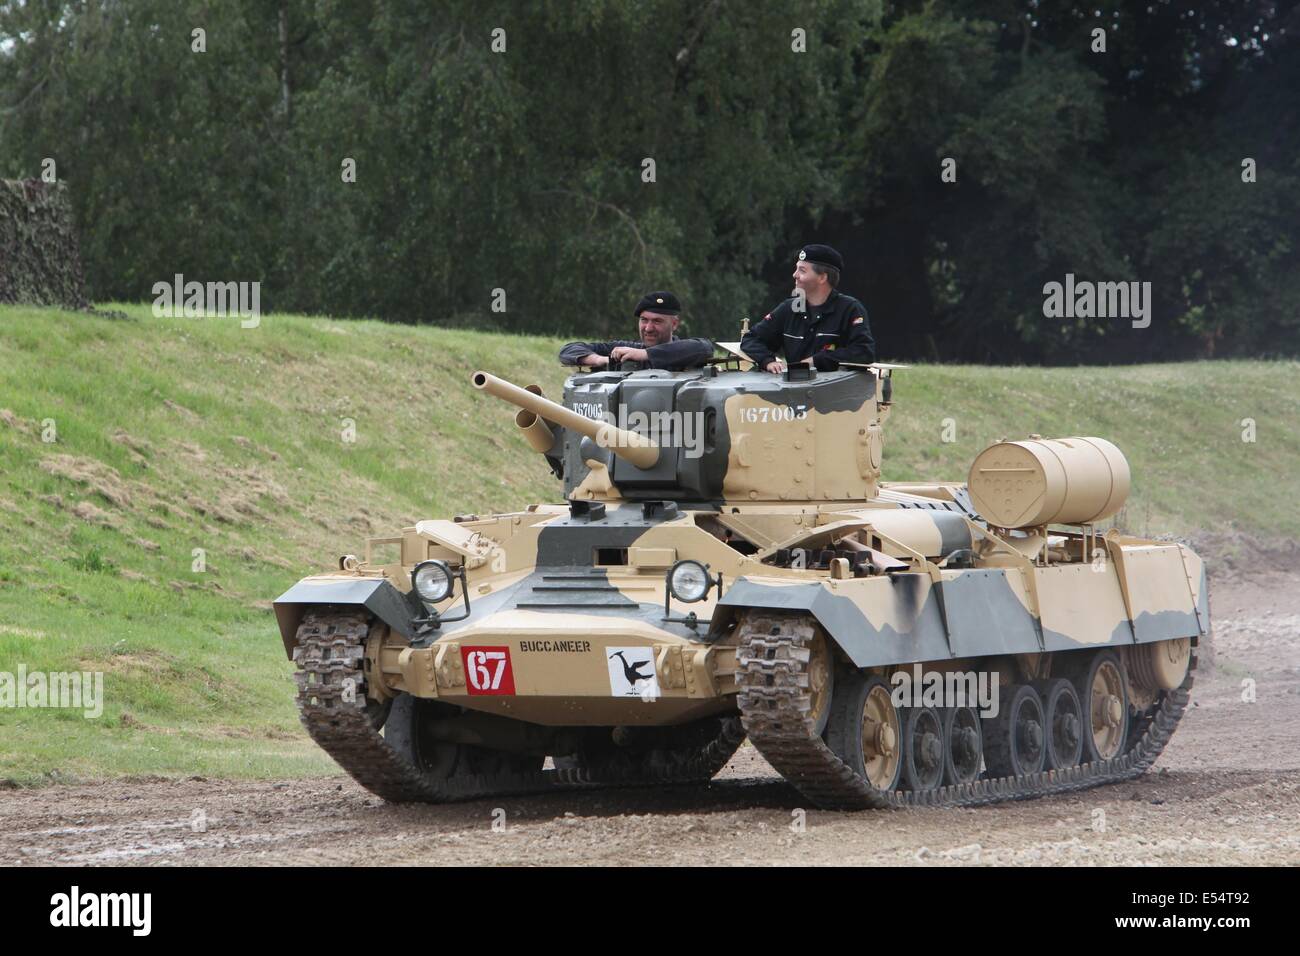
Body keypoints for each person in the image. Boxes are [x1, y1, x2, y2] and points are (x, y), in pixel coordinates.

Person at [740, 244, 875, 373]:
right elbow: (751, 339)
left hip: (836, 392)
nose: (795, 275)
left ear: (822, 277)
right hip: (793, 391)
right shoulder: (790, 309)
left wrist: (817, 361)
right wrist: (767, 361)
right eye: (796, 268)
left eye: (802, 270)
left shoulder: (850, 310)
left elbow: (864, 352)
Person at [558, 291, 713, 370]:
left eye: (657, 321)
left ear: (674, 324)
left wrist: (644, 354)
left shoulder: (685, 351)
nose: (648, 328)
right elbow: (569, 350)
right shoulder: (623, 351)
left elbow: (705, 347)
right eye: (644, 320)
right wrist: (600, 360)